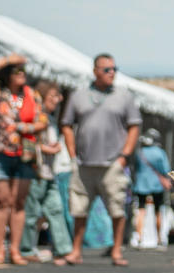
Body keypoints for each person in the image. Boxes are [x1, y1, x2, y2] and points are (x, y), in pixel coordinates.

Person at [60, 53, 141, 266]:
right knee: (79, 209)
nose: (112, 73)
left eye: (115, 69)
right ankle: (75, 251)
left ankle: (116, 251)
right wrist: (71, 153)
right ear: (95, 71)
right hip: (84, 163)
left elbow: (134, 126)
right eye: (107, 69)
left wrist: (124, 156)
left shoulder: (124, 96)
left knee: (117, 209)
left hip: (112, 163)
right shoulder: (79, 95)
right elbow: (66, 124)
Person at [0, 53, 46, 265]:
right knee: (2, 201)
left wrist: (23, 127)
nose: (22, 74)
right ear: (8, 73)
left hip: (25, 153)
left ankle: (15, 250)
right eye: (17, 71)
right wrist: (9, 60)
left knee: (19, 202)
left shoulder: (32, 95)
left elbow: (42, 121)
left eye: (23, 71)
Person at [19, 81, 73, 265]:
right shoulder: (35, 116)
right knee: (32, 211)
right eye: (53, 96)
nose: (57, 100)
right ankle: (25, 249)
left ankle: (63, 249)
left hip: (50, 172)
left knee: (56, 209)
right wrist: (43, 149)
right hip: (36, 171)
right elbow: (25, 139)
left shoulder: (49, 118)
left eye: (58, 97)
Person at [131, 128, 171, 248]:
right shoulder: (160, 152)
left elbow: (135, 168)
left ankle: (139, 237)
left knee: (141, 210)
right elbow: (166, 170)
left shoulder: (140, 152)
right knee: (158, 211)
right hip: (156, 185)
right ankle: (159, 238)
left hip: (141, 184)